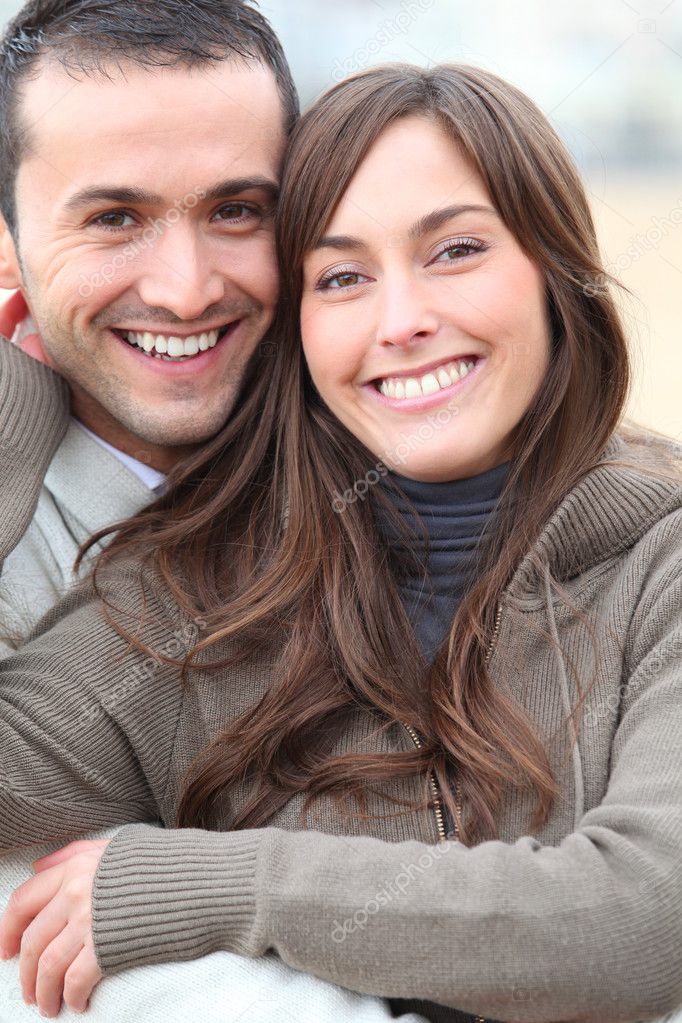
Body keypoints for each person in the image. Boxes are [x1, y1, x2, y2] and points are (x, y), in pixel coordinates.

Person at [0, 62, 680, 1023]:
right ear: (301, 327)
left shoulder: (664, 560)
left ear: (553, 267)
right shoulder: (193, 593)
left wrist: (236, 885)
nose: (401, 321)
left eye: (454, 251)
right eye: (344, 276)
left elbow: (647, 918)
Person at [0, 0, 295, 652]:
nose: (186, 293)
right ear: (6, 246)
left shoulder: (400, 465)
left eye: (236, 210)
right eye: (114, 219)